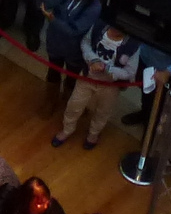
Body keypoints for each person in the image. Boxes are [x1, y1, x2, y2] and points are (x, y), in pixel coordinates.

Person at [52, 19, 140, 149]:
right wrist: (92, 59)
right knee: (74, 104)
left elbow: (130, 72)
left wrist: (108, 69)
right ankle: (67, 129)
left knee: (103, 111)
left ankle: (93, 134)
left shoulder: (133, 45)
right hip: (87, 77)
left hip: (111, 86)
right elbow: (85, 43)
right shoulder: (99, 27)